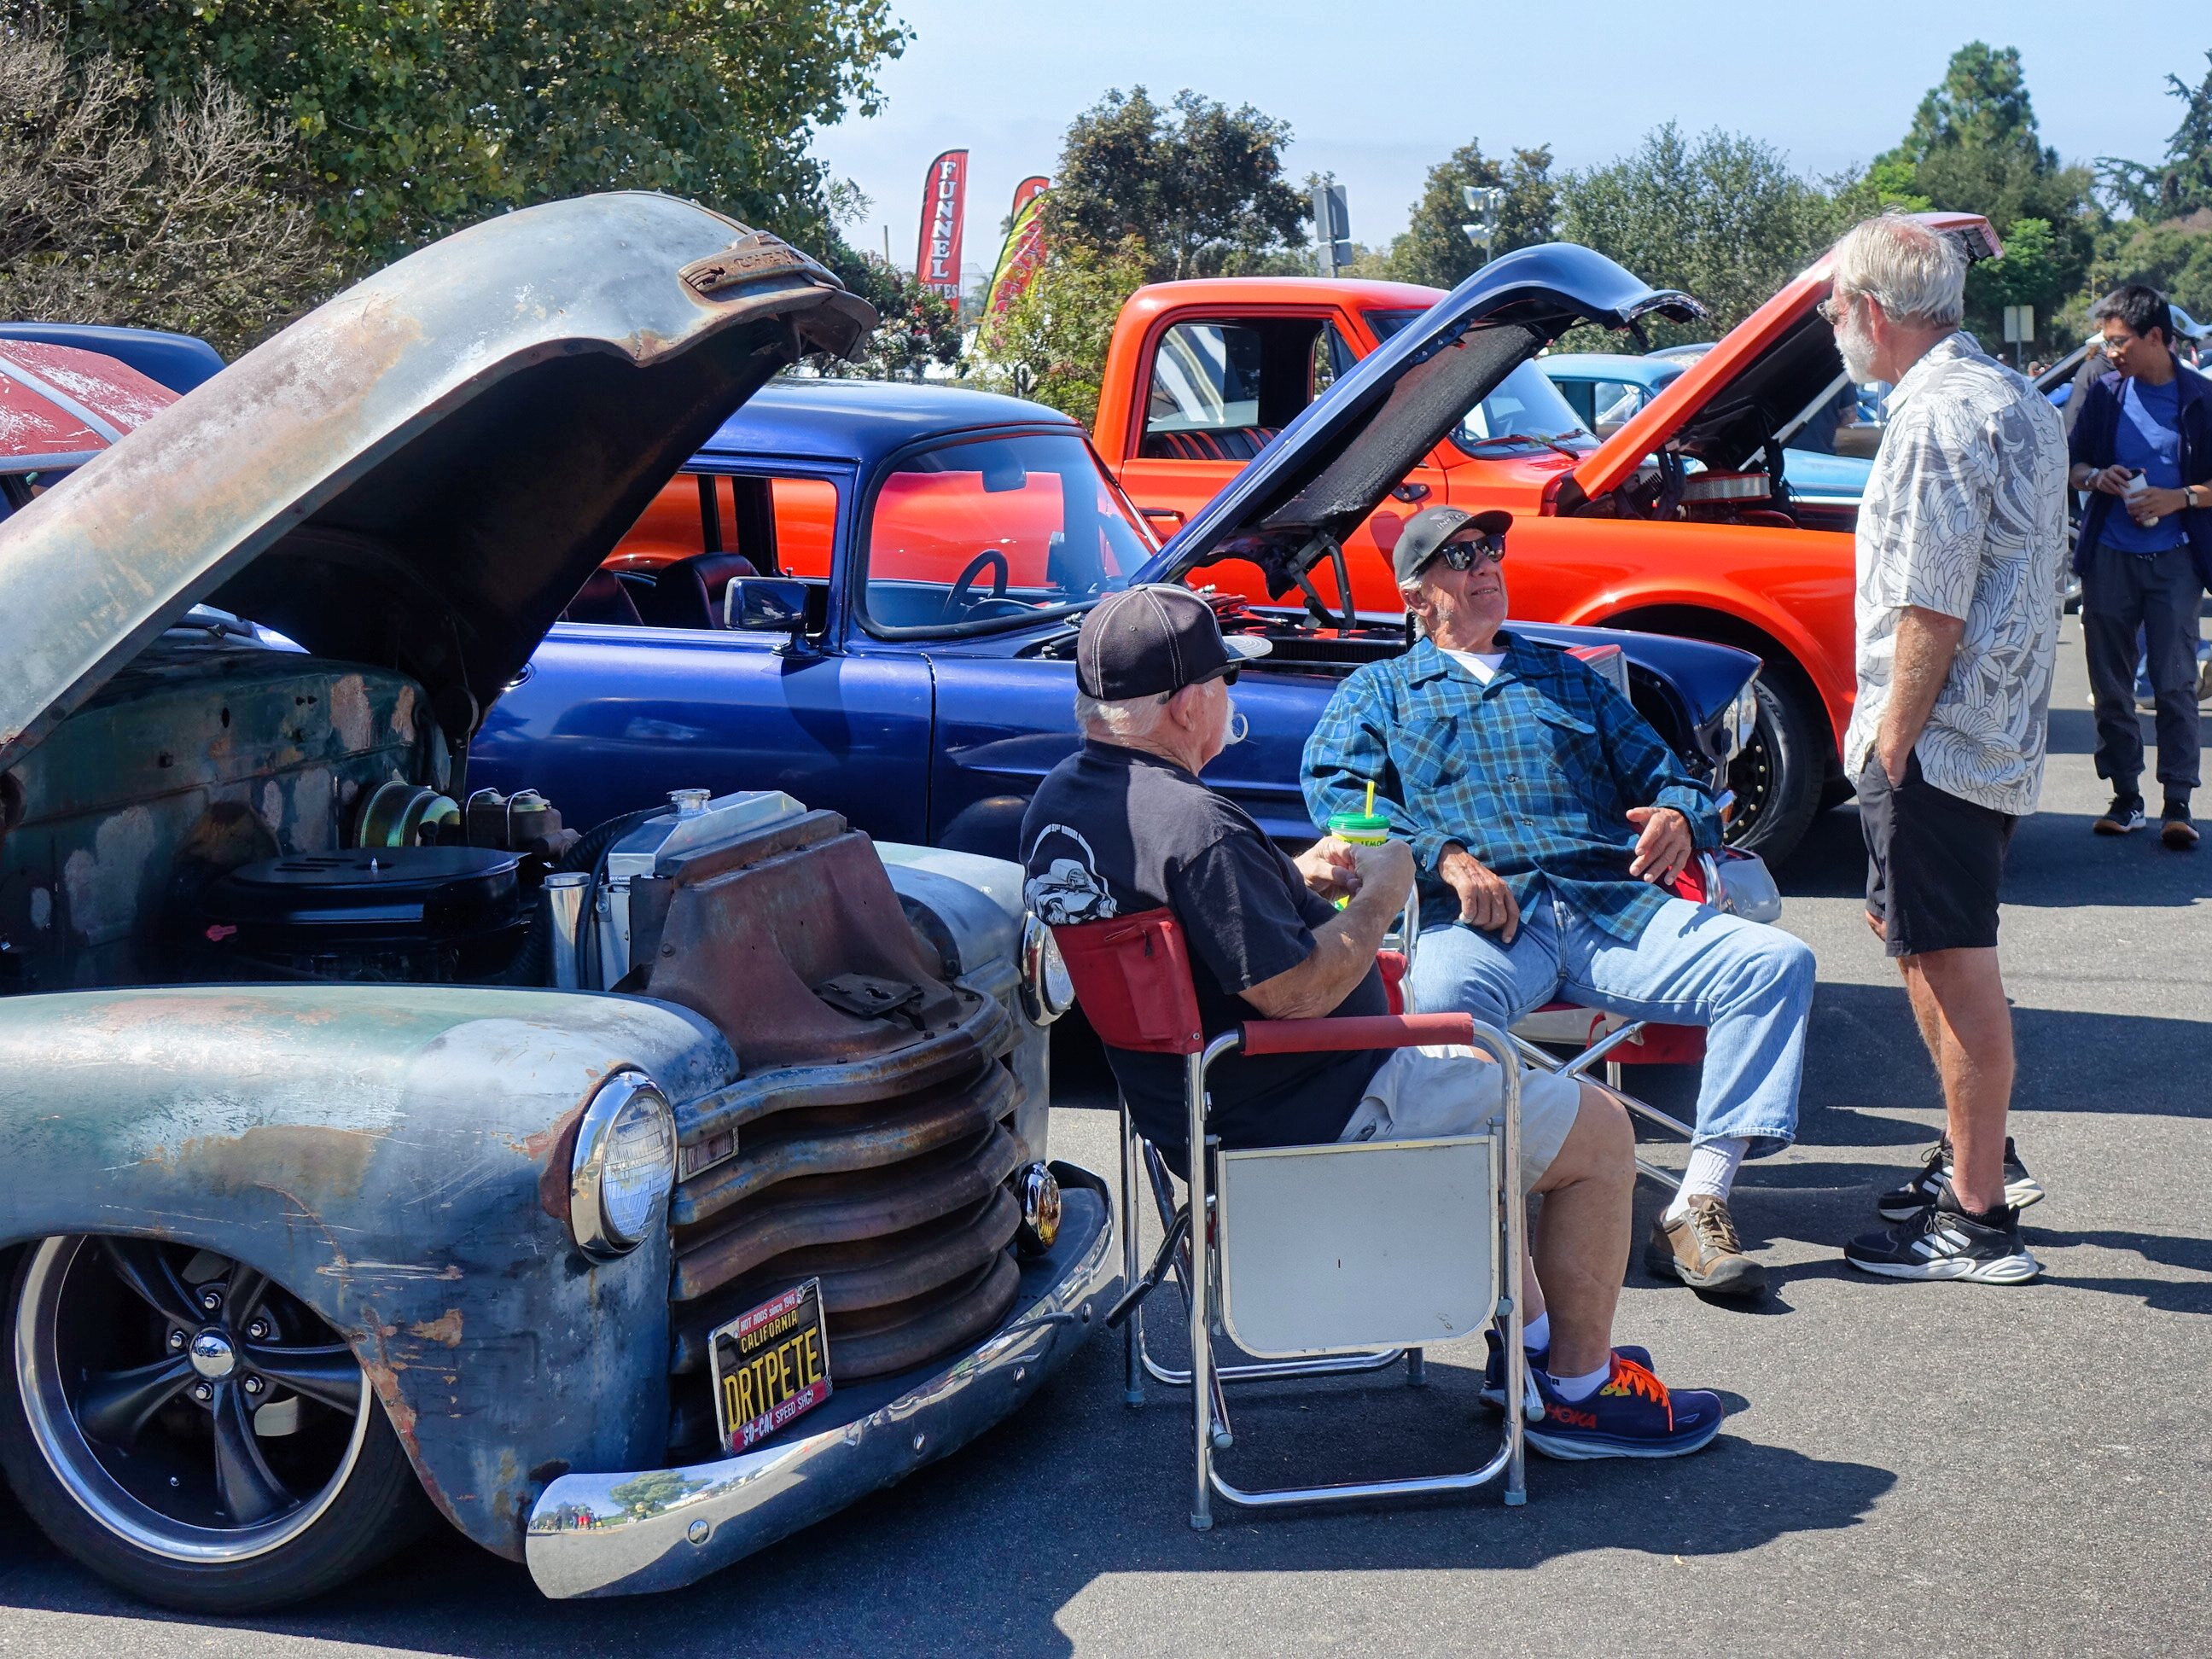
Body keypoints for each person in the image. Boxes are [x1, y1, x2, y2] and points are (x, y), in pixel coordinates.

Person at [1022, 584, 1726, 1458]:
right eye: (1224, 682)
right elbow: (1295, 995)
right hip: (1311, 1111)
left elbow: (1190, 915)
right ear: (1188, 704)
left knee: (1490, 1088)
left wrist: (1286, 880)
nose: (1230, 698)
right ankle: (1582, 1393)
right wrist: (1384, 897)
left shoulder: (1062, 805)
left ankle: (1535, 1353)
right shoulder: (1197, 826)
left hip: (1196, 1115)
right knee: (1598, 1131)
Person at [1302, 506, 1814, 1301]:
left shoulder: (1568, 677)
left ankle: (1697, 1203)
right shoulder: (1380, 691)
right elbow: (1339, 797)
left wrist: (1681, 816)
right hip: (1479, 921)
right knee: (1443, 1005)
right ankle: (1480, 1214)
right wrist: (1442, 855)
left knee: (1776, 962)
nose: (1485, 564)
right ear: (1415, 595)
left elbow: (1675, 778)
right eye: (1459, 556)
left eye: (1491, 549)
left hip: (1610, 906)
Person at [1825, 214, 2064, 1283]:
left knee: (1955, 966)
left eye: (1836, 306)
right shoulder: (2013, 394)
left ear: (1875, 311)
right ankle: (1978, 1156)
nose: (1833, 323)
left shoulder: (1934, 417)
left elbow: (1932, 604)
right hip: (1995, 736)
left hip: (1939, 744)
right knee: (1922, 945)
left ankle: (1976, 1219)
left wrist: (1890, 750)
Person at [2064, 283, 2212, 848]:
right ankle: (2125, 796)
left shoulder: (2200, 398)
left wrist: (2181, 498)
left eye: (2119, 341)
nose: (2110, 351)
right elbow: (2073, 463)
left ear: (2155, 337)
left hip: (2176, 562)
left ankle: (2179, 803)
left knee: (2174, 684)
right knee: (2111, 685)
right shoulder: (2103, 392)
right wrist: (2095, 478)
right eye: (2106, 341)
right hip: (2108, 558)